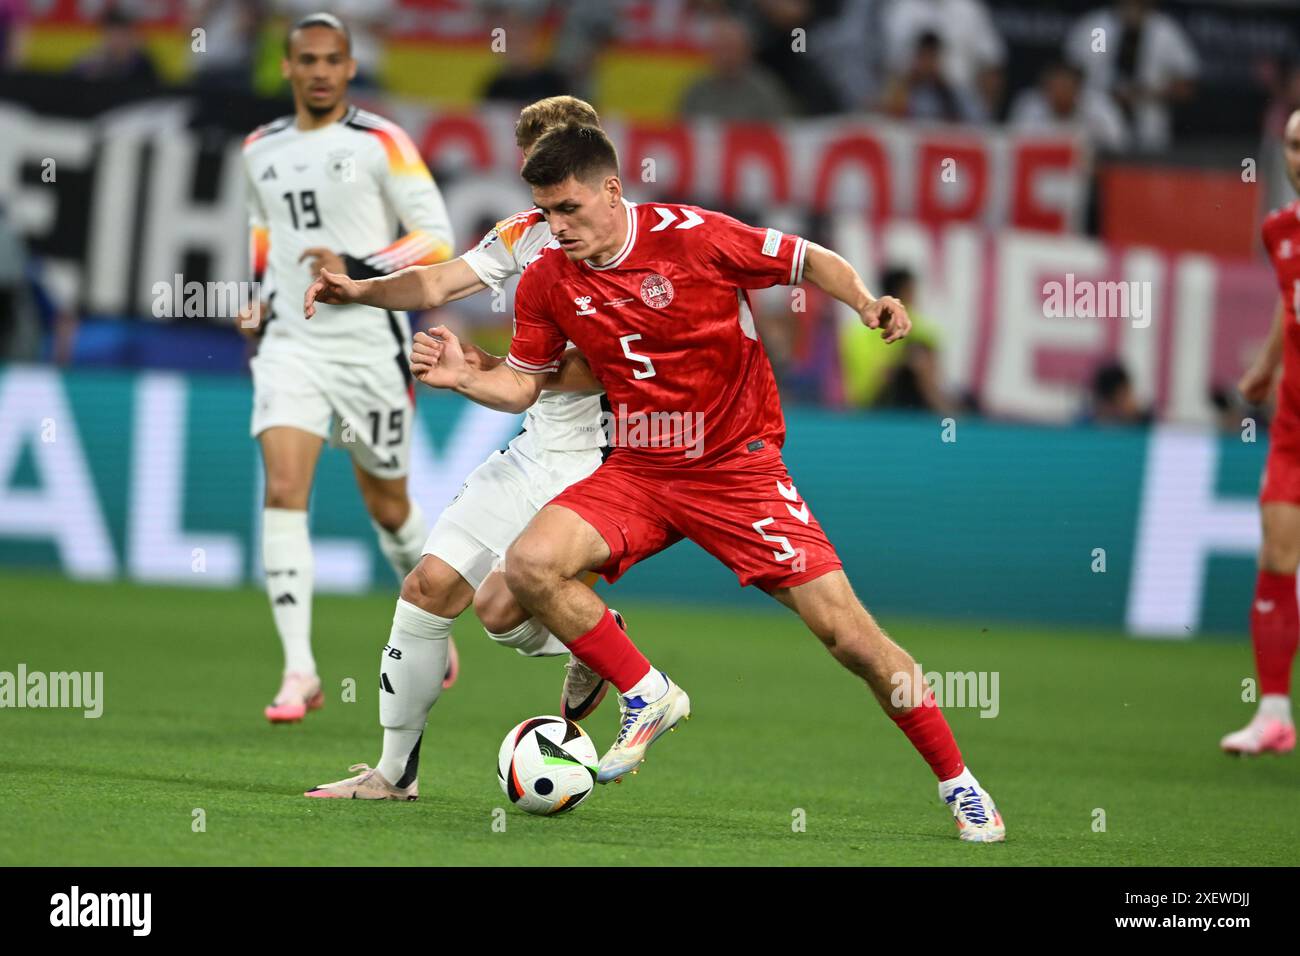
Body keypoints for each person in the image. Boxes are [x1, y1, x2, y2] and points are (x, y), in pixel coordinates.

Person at [411, 123, 1007, 842]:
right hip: (638, 465)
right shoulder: (546, 280)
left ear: (612, 190)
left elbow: (805, 258)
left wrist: (863, 300)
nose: (555, 227)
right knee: (529, 568)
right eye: (544, 211)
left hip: (736, 468)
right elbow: (522, 387)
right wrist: (460, 378)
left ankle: (959, 782)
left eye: (568, 209)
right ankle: (647, 692)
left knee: (849, 638)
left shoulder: (694, 237)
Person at [301, 96, 621, 801]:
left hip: (601, 458)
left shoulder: (617, 243)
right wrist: (359, 289)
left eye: (549, 159)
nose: (534, 175)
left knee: (502, 610)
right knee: (429, 589)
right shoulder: (525, 233)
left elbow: (611, 366)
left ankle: (594, 641)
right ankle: (394, 774)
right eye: (528, 159)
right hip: (536, 447)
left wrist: (492, 370)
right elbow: (439, 280)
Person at [239, 13, 456, 723]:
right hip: (292, 342)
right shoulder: (259, 149)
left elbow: (437, 237)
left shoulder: (381, 142)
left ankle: (431, 617)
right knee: (283, 487)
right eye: (308, 59)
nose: (321, 71)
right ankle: (298, 669)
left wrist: (358, 268)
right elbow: (265, 235)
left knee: (387, 506)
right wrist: (256, 296)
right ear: (287, 67)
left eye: (334, 59)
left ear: (351, 66)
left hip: (369, 342)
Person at [1222, 108, 1300, 756]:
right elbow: (1289, 296)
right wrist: (1266, 367)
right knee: (1277, 557)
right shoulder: (1281, 231)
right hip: (1293, 426)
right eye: (1295, 147)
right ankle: (1274, 712)